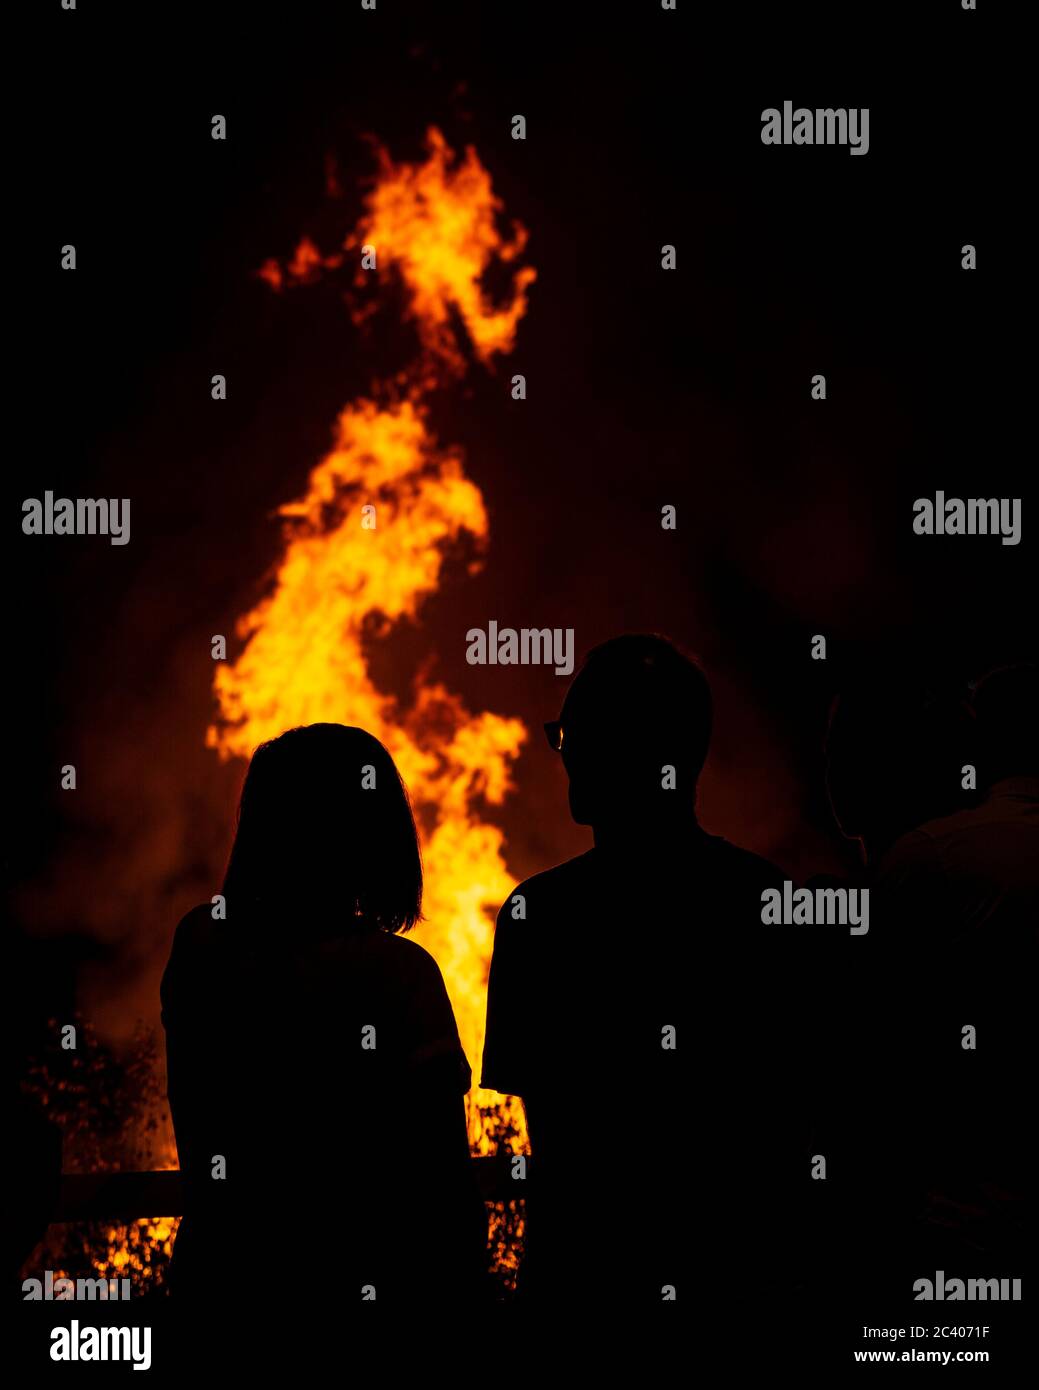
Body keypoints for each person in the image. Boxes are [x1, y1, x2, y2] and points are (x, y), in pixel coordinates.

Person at [481, 634, 792, 1303]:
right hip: (742, 1277)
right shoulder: (766, 899)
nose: (565, 753)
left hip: (585, 1280)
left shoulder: (541, 915)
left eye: (572, 735)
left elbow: (552, 1129)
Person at [161, 724, 487, 1306]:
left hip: (225, 1284)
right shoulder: (400, 974)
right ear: (375, 834)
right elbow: (441, 1181)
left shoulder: (202, 946)